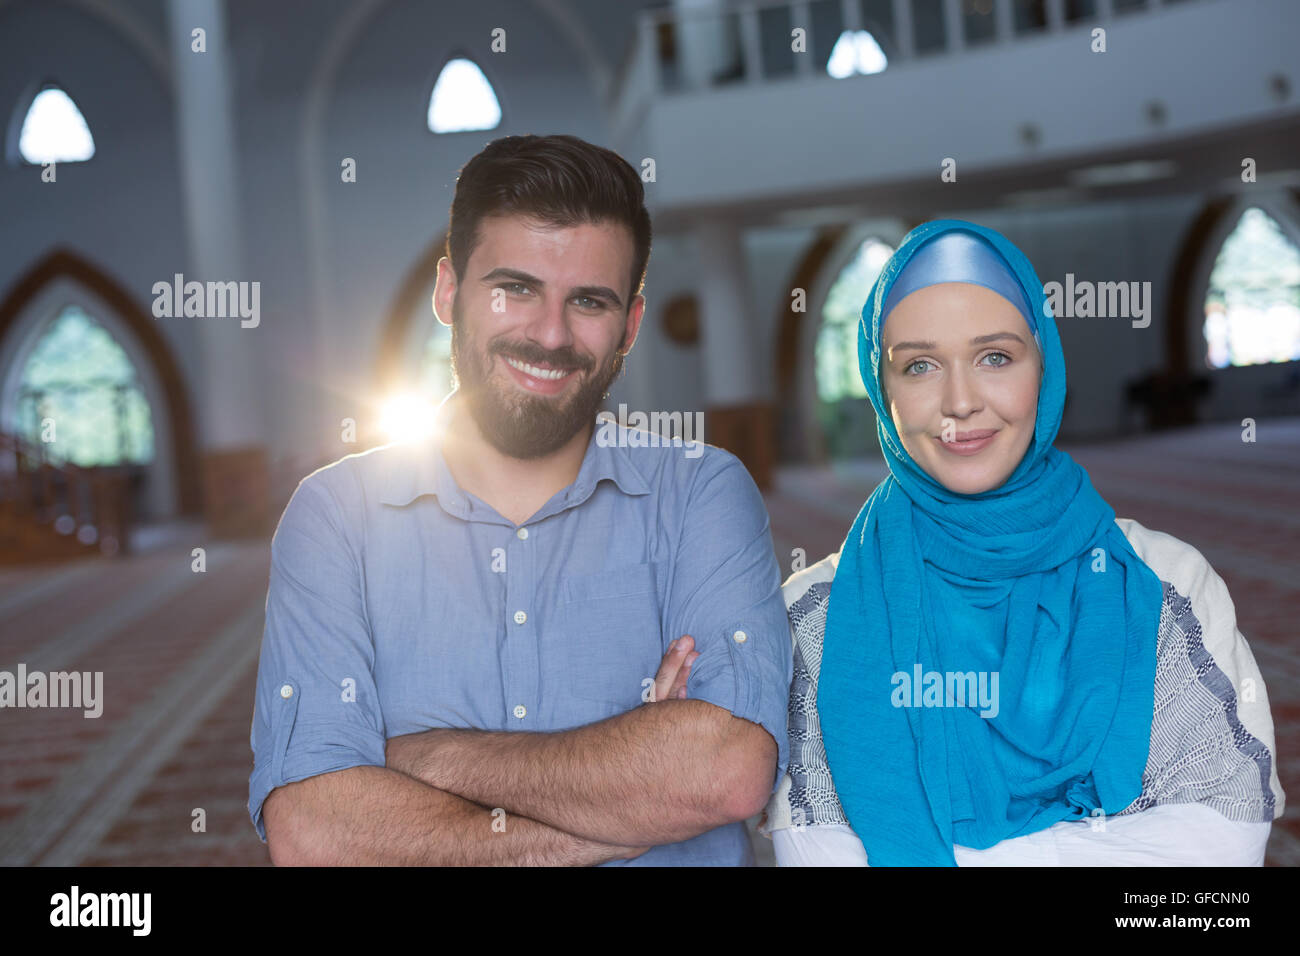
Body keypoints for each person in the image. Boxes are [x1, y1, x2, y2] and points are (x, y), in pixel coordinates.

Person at [249, 134, 792, 866]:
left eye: (589, 302)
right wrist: (641, 795)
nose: (549, 334)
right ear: (449, 292)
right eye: (515, 288)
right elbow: (316, 837)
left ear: (629, 326)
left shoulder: (703, 492)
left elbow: (726, 775)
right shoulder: (334, 518)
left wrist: (430, 759)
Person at [761, 219, 1284, 865]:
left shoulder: (1159, 578)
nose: (960, 401)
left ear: (1046, 365)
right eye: (919, 366)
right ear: (882, 388)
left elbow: (1224, 831)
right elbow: (816, 852)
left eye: (995, 358)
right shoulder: (815, 614)